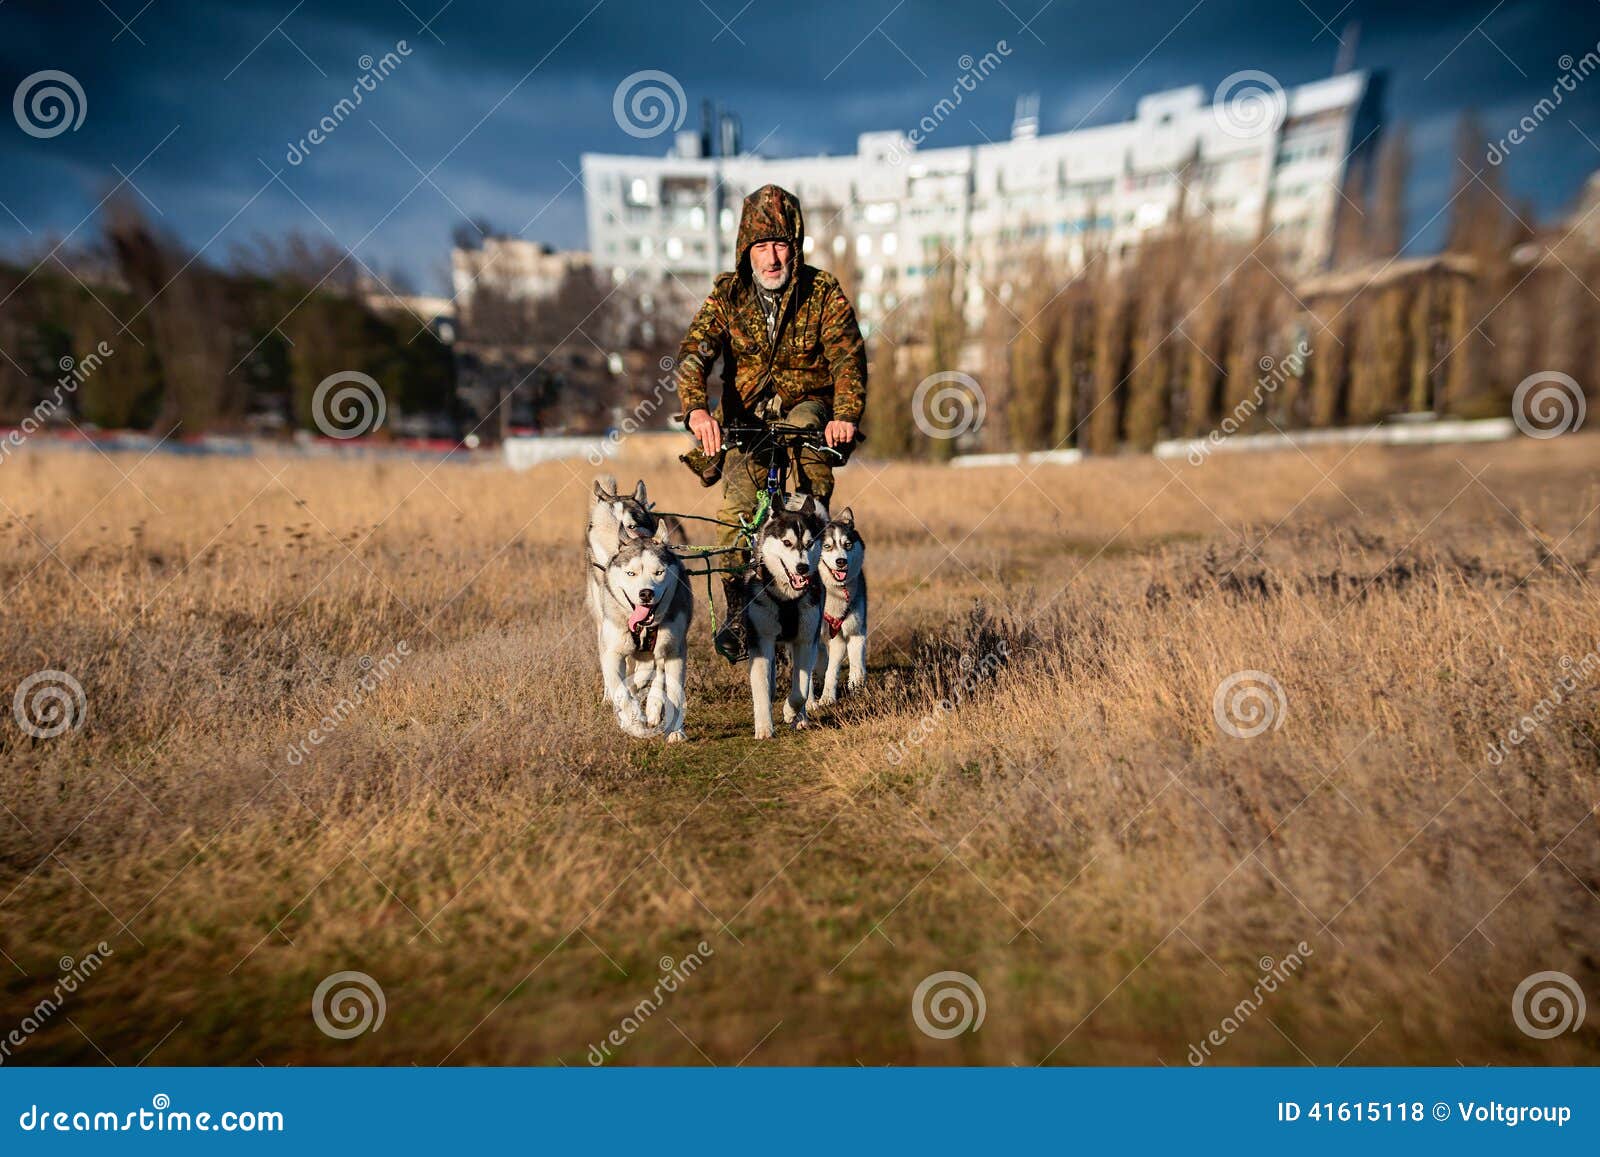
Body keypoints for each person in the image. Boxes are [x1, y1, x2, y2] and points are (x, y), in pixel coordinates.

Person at [673, 183, 867, 659]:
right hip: (747, 420)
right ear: (747, 250)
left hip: (809, 413)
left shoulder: (822, 291)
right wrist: (697, 409)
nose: (772, 257)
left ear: (795, 245)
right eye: (761, 246)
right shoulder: (727, 294)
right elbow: (694, 354)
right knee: (735, 516)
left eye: (780, 243)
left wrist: (843, 416)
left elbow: (848, 360)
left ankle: (814, 606)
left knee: (809, 502)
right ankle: (740, 618)